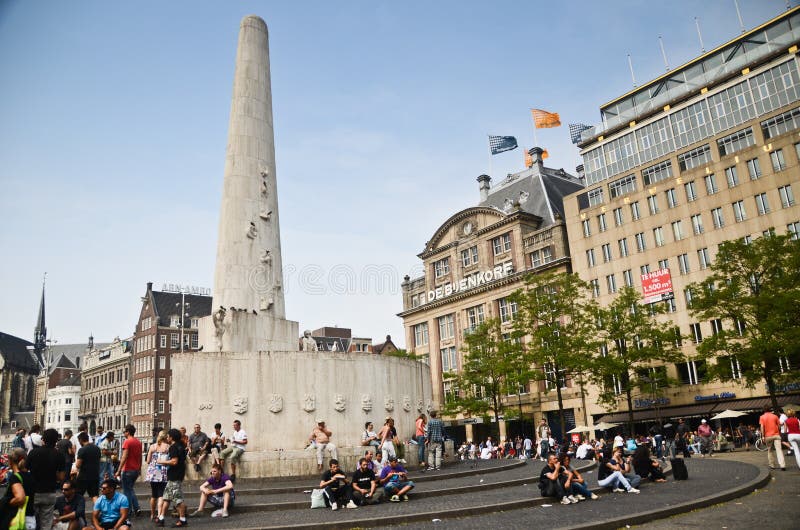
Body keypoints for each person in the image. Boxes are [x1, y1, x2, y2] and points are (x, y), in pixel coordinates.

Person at [27, 427, 67, 530]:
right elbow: (61, 477)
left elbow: (25, 470)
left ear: (43, 439)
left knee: (30, 522)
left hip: (34, 492)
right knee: (46, 524)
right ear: (56, 441)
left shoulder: (33, 453)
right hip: (49, 492)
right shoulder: (59, 455)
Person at [155, 428, 188, 527]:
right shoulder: (181, 445)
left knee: (177, 499)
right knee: (166, 498)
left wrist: (161, 462)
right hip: (177, 475)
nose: (167, 438)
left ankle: (182, 520)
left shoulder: (173, 447)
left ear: (171, 437)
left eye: (168, 436)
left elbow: (174, 461)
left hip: (174, 476)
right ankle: (161, 518)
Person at [1, 448, 35, 530]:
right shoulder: (30, 476)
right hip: (30, 518)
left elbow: (20, 498)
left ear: (10, 461)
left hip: (18, 519)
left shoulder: (15, 477)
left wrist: (7, 502)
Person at [115, 425, 142, 518]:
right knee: (130, 489)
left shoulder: (127, 442)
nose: (124, 433)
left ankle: (128, 511)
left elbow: (124, 457)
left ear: (128, 432)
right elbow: (140, 457)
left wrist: (118, 470)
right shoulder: (138, 442)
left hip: (127, 470)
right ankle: (137, 508)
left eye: (124, 432)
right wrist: (139, 468)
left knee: (126, 492)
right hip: (135, 469)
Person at [144, 430, 170, 523]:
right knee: (161, 494)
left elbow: (147, 461)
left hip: (153, 472)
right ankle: (159, 515)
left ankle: (152, 514)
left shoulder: (152, 446)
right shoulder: (167, 447)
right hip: (162, 471)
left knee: (154, 494)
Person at [73, 432, 101, 503]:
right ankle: (98, 512)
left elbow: (78, 465)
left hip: (83, 476)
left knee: (78, 495)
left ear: (81, 440)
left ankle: (77, 511)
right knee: (94, 495)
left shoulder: (82, 450)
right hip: (95, 475)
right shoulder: (97, 449)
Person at [759, 405, 786, 470]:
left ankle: (772, 465)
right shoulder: (775, 416)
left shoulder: (762, 417)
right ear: (770, 409)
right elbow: (779, 426)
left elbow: (762, 427)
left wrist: (763, 436)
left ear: (764, 410)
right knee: (779, 450)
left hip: (768, 436)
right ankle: (782, 465)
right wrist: (777, 430)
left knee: (770, 450)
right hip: (776, 435)